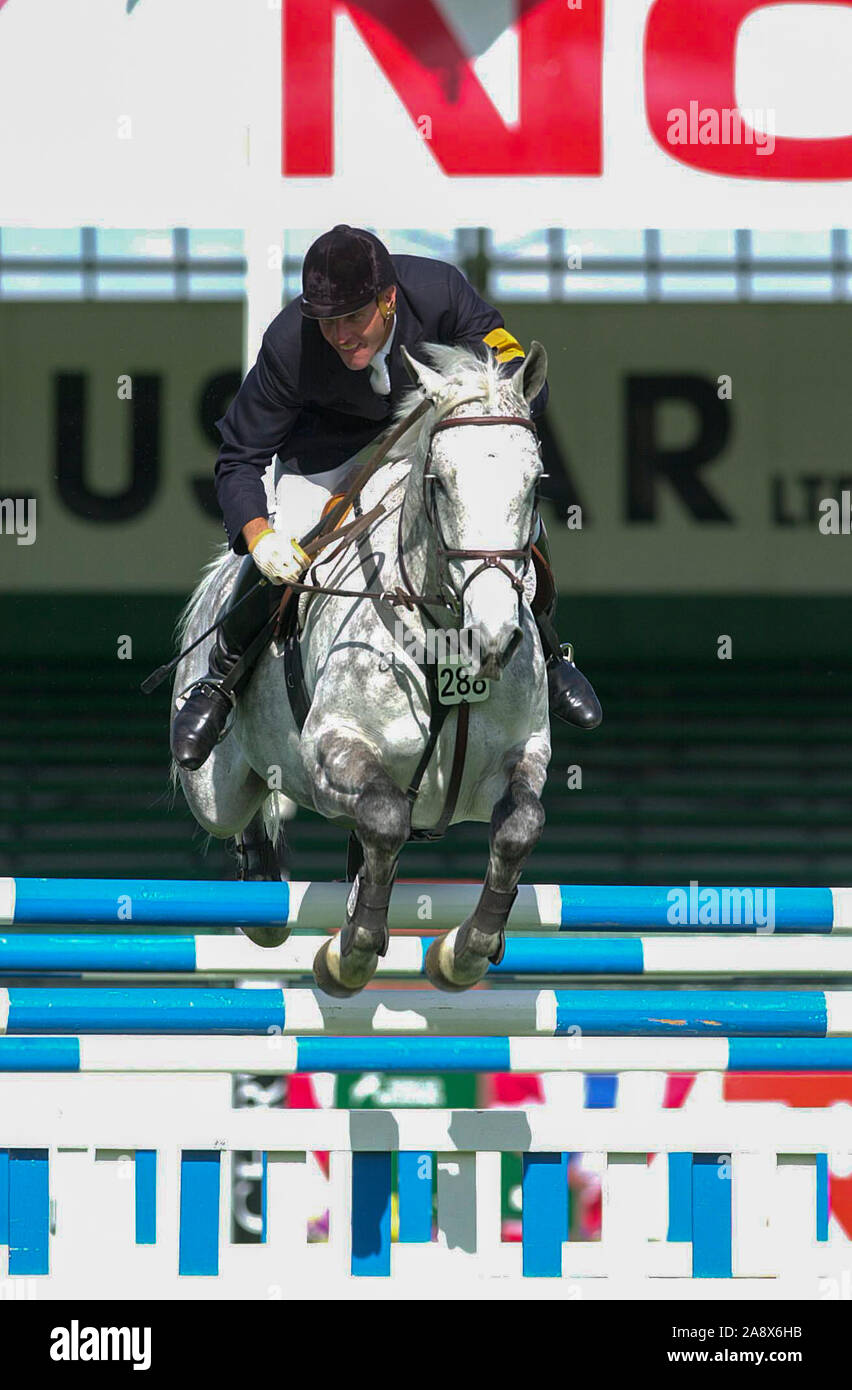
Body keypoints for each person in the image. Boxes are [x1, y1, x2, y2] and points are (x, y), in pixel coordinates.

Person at [171, 225, 601, 770]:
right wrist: (259, 535)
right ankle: (220, 679)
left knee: (501, 517)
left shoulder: (441, 291)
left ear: (389, 298)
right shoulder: (288, 343)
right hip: (326, 460)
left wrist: (496, 423)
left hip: (423, 440)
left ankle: (548, 646)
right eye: (327, 321)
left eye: (354, 317)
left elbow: (511, 369)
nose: (342, 335)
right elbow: (238, 455)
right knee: (287, 547)